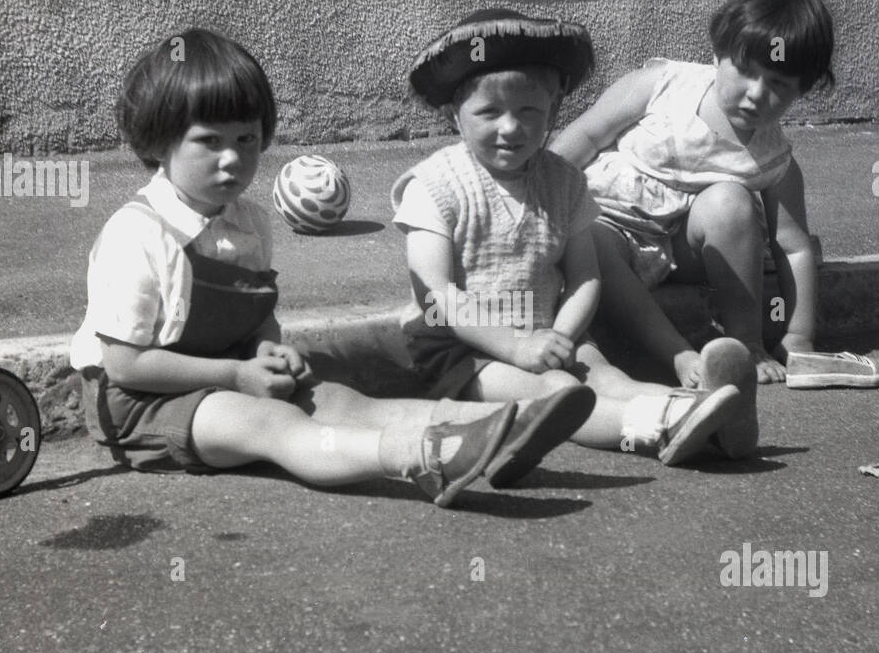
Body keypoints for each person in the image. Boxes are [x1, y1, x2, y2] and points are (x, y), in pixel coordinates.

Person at [69, 28, 593, 508]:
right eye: (210, 141)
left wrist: (267, 350)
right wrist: (236, 373)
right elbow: (126, 365)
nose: (232, 159)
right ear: (158, 142)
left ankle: (501, 430)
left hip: (230, 377)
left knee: (340, 400)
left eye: (246, 139)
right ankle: (421, 456)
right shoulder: (138, 234)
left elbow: (255, 317)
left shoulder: (247, 220)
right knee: (274, 423)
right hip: (142, 405)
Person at [393, 9, 758, 465]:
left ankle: (706, 409)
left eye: (530, 111)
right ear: (454, 116)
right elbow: (437, 296)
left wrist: (561, 335)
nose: (511, 127)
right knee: (559, 391)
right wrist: (515, 347)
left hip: (548, 332)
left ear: (552, 110)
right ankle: (663, 425)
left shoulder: (564, 181)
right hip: (462, 353)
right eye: (489, 112)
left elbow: (585, 276)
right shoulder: (435, 186)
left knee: (608, 378)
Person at [551, 0, 879, 389]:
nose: (756, 94)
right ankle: (678, 354)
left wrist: (799, 336)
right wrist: (536, 199)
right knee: (590, 239)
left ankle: (745, 343)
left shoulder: (773, 160)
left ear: (802, 91)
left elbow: (794, 248)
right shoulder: (661, 85)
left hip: (678, 250)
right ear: (718, 53)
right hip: (609, 227)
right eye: (746, 71)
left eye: (779, 84)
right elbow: (585, 137)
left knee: (730, 203)